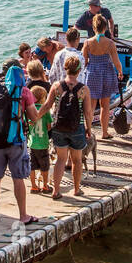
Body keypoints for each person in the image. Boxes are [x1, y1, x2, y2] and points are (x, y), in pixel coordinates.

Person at [0, 60, 39, 226]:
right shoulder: (23, 91)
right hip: (15, 140)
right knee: (18, 178)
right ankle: (23, 215)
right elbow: (34, 117)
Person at [35, 57, 93, 199]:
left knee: (61, 159)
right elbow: (88, 112)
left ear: (65, 69)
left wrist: (36, 117)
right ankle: (77, 189)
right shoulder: (84, 89)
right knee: (77, 160)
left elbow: (48, 105)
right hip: (76, 127)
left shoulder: (56, 86)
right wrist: (89, 129)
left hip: (59, 127)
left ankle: (56, 191)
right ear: (79, 71)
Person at [82, 14, 122, 140]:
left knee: (91, 106)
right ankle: (104, 133)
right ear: (105, 28)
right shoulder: (110, 43)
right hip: (106, 73)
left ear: (94, 28)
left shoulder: (87, 43)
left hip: (92, 73)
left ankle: (87, 132)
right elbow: (116, 61)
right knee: (105, 105)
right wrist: (120, 72)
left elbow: (85, 61)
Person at [28, 86, 53, 194]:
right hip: (43, 143)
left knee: (32, 166)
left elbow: (27, 125)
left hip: (32, 142)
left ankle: (33, 186)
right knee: (45, 166)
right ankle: (45, 186)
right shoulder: (45, 110)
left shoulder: (29, 109)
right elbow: (48, 127)